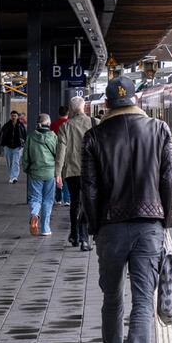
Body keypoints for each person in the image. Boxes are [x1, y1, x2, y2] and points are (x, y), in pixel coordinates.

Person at [82, 77, 172, 343]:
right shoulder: (159, 130)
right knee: (142, 303)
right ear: (135, 99)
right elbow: (168, 181)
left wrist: (95, 227)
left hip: (110, 226)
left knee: (112, 297)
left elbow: (90, 190)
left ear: (106, 103)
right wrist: (167, 220)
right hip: (149, 225)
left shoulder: (93, 137)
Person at [55, 97, 95, 251]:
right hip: (91, 172)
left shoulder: (66, 127)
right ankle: (85, 238)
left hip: (72, 171)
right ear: (84, 107)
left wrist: (58, 173)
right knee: (87, 203)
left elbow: (61, 152)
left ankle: (74, 235)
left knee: (75, 203)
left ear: (71, 110)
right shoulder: (94, 123)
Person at [20, 113, 58, 237]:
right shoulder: (53, 137)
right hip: (50, 172)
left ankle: (35, 214)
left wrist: (26, 169)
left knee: (35, 198)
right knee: (48, 200)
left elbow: (25, 155)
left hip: (35, 172)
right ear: (49, 123)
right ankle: (45, 228)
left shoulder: (31, 137)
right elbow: (58, 155)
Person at [0, 111, 27, 184]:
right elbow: (1, 134)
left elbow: (24, 135)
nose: (13, 117)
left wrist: (23, 144)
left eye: (15, 116)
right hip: (8, 147)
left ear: (17, 117)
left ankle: (14, 177)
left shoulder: (21, 126)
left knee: (16, 162)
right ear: (10, 117)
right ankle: (11, 176)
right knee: (9, 162)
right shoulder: (6, 125)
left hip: (17, 147)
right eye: (12, 116)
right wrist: (3, 144)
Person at [52, 106, 72, 206]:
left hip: (56, 153)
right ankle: (67, 199)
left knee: (58, 175)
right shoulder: (70, 124)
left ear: (59, 113)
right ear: (68, 113)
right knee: (67, 177)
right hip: (69, 154)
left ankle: (58, 198)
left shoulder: (54, 124)